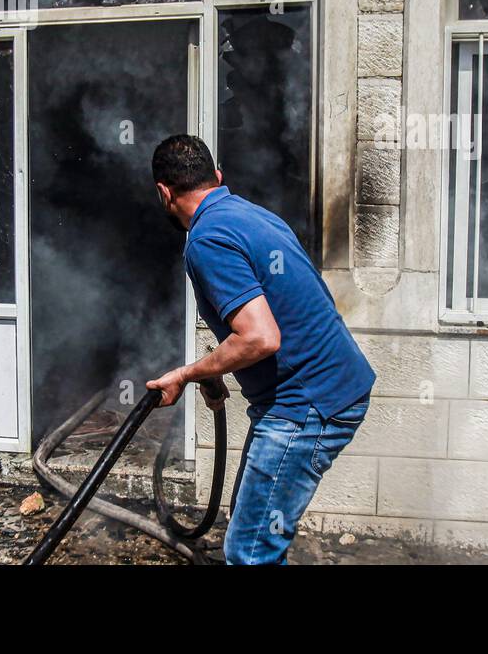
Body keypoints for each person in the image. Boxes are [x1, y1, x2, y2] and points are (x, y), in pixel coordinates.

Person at [146, 134, 375, 565]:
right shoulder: (251, 215)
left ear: (164, 192)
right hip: (321, 392)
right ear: (217, 177)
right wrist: (209, 370)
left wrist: (187, 373)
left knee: (249, 551)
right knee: (254, 532)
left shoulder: (207, 239)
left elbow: (260, 337)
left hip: (307, 405)